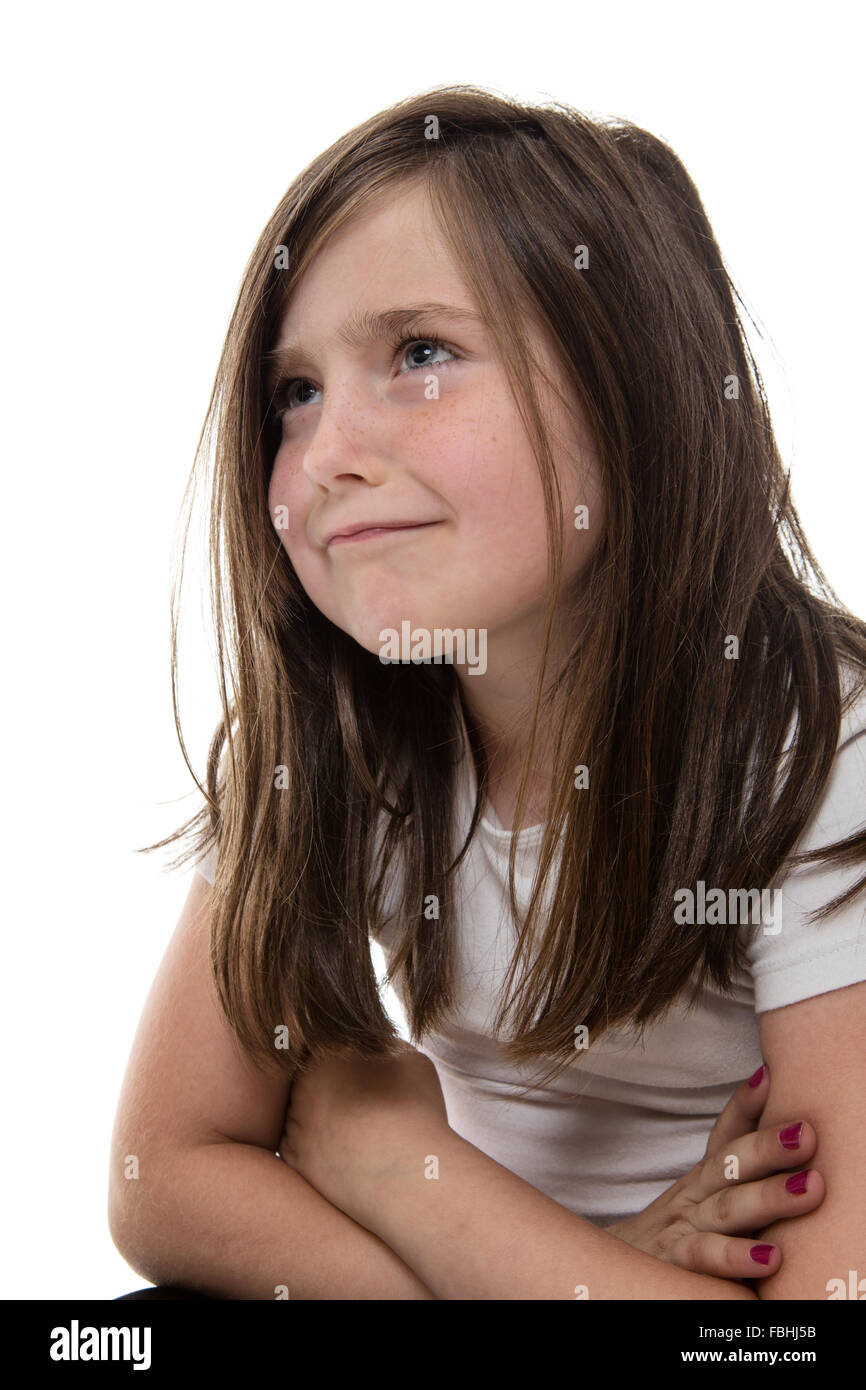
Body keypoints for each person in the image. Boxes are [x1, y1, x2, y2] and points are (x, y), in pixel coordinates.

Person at [110, 84, 866, 1301]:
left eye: (420, 354)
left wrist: (395, 1164)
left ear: (636, 389)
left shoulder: (822, 747)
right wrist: (576, 1272)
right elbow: (164, 1180)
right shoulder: (329, 735)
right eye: (293, 393)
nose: (325, 455)